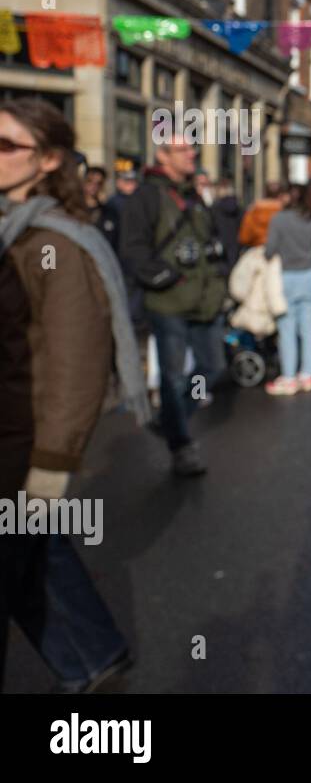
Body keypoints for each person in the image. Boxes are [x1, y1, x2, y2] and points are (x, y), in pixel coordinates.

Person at [0, 98, 148, 692]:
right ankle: (93, 655)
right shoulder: (12, 227)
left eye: (7, 145)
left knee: (24, 540)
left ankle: (93, 658)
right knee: (32, 548)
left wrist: (51, 467)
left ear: (49, 159)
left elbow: (75, 367)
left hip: (23, 440)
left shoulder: (54, 245)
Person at [117, 130, 228, 475]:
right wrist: (169, 279)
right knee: (174, 376)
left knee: (212, 366)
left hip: (205, 301)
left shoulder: (194, 194)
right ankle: (181, 446)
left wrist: (219, 279)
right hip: (169, 303)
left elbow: (211, 242)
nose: (191, 154)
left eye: (192, 148)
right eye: (182, 149)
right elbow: (132, 250)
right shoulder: (146, 196)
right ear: (162, 156)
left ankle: (168, 420)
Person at [263, 180, 311, 395]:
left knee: (287, 328)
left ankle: (289, 377)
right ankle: (308, 374)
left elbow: (270, 250)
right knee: (309, 327)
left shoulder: (279, 220)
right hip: (309, 275)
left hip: (287, 276)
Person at [239, 180, 289, 249]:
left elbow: (244, 237)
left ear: (265, 193)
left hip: (258, 249)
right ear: (281, 195)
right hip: (281, 251)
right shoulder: (285, 212)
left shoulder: (254, 210)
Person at [99, 167, 137, 254]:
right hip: (117, 245)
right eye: (127, 181)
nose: (131, 184)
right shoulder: (113, 202)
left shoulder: (140, 201)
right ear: (119, 183)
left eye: (133, 181)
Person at [210, 178, 243, 270]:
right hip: (236, 250)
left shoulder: (214, 209)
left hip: (221, 253)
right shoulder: (239, 209)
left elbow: (211, 229)